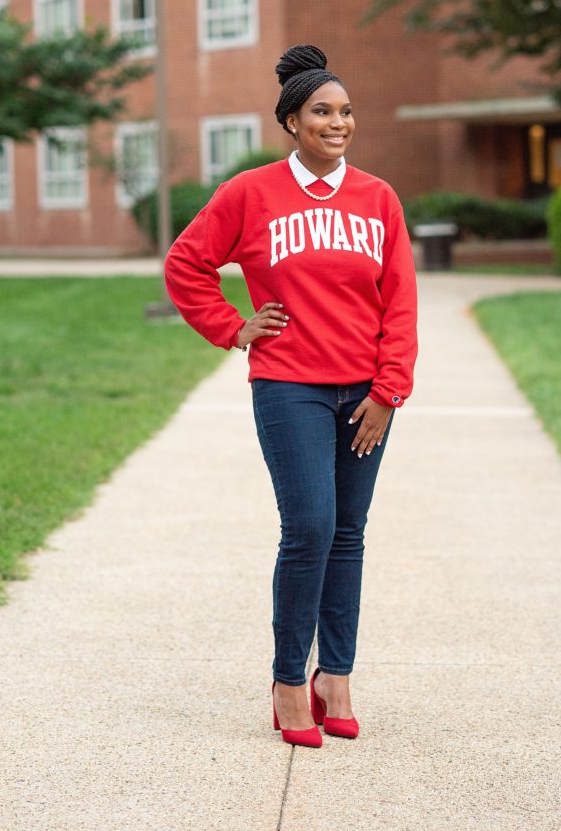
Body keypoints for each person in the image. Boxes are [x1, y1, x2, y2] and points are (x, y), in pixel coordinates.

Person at [164, 44, 418, 748]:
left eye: (346, 112)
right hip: (289, 385)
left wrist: (389, 391)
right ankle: (286, 682)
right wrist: (232, 327)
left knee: (348, 532)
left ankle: (335, 676)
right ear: (291, 122)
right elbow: (187, 263)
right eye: (322, 112)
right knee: (309, 526)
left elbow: (400, 301)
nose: (339, 124)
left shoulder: (378, 199)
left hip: (365, 392)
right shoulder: (250, 194)